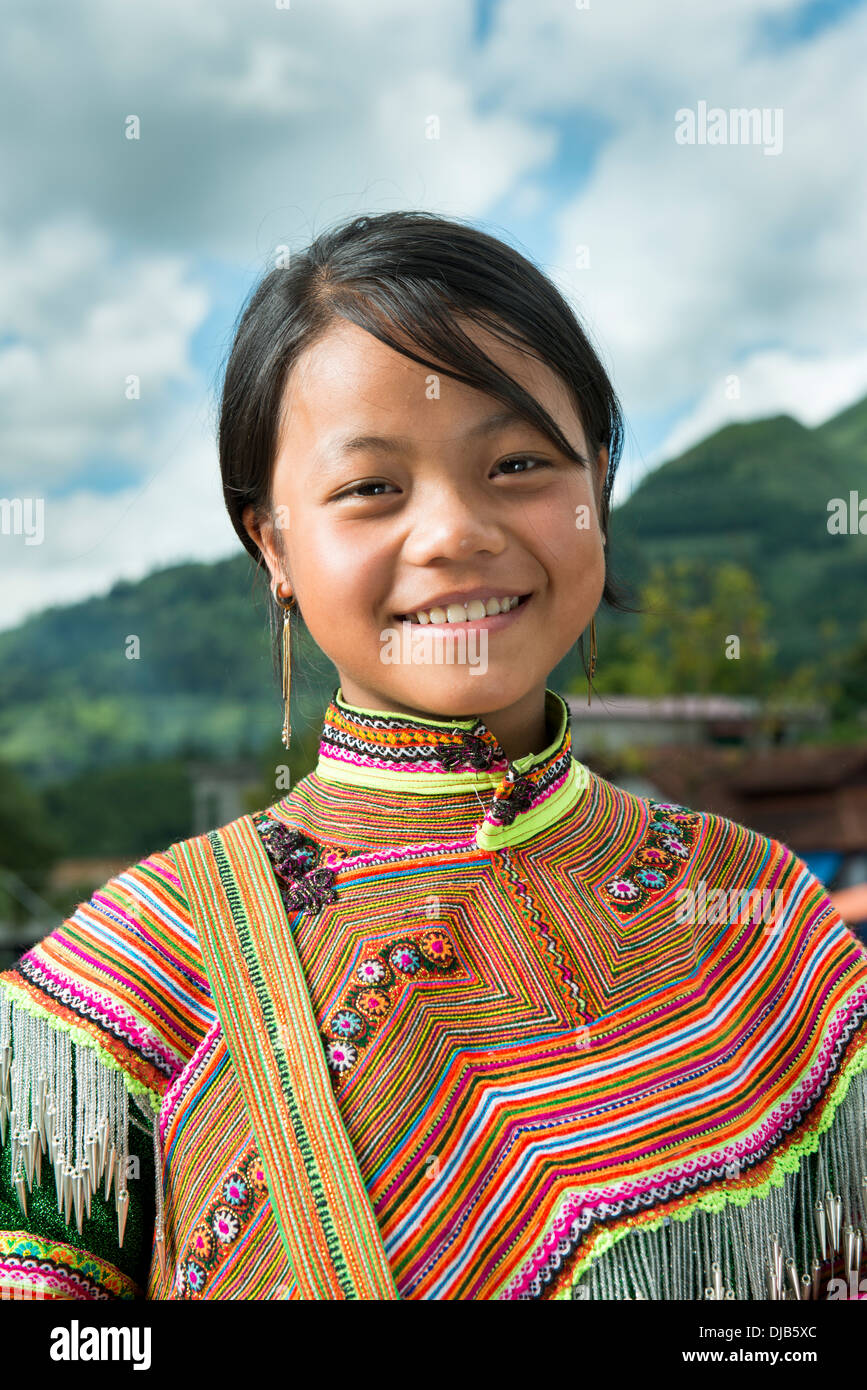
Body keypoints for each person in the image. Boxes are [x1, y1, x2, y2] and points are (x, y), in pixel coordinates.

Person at [2, 210, 866, 1302]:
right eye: (372, 487)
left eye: (516, 462)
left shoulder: (763, 916)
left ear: (596, 485)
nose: (455, 530)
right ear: (273, 541)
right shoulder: (134, 984)